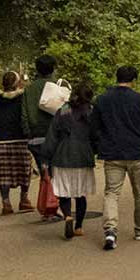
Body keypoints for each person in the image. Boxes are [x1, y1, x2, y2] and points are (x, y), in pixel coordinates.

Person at [91, 65, 140, 251]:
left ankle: (110, 230)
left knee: (111, 192)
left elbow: (94, 127)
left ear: (116, 78)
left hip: (112, 152)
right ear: (133, 80)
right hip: (136, 152)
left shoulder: (102, 100)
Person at [43, 81, 96, 240]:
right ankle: (78, 226)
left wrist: (46, 156)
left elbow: (52, 136)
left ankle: (67, 216)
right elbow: (96, 135)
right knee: (80, 194)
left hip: (63, 155)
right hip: (83, 156)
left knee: (64, 192)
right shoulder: (91, 112)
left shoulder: (64, 110)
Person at [0, 70, 33, 214]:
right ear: (17, 83)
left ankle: (6, 203)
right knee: (24, 171)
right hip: (20, 141)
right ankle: (24, 199)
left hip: (1, 142)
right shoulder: (23, 99)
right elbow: (27, 117)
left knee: (3, 174)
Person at [22, 53, 62, 221]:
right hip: (55, 136)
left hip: (35, 137)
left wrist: (28, 133)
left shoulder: (29, 89)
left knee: (44, 171)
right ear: (53, 69)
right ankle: (53, 206)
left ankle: (47, 207)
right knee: (56, 172)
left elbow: (24, 115)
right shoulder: (57, 87)